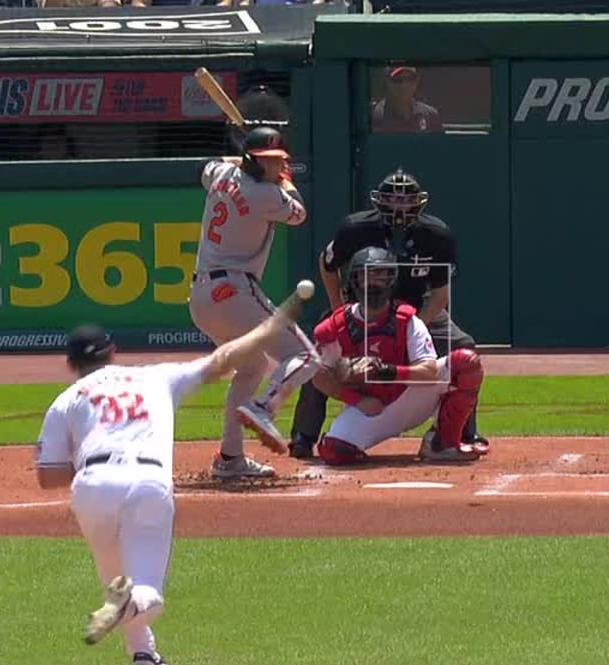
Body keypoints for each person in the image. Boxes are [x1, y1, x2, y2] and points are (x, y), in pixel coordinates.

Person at [34, 289, 311, 665]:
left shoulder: (66, 399)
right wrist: (269, 327)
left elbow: (48, 475)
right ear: (112, 352)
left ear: (71, 363)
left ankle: (143, 654)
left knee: (118, 582)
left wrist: (88, 465)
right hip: (147, 482)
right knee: (146, 593)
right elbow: (222, 359)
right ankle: (131, 615)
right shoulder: (155, 377)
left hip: (92, 484)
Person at [289, 168, 487, 457]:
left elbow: (441, 293)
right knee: (318, 353)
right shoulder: (355, 228)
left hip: (416, 307)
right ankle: (303, 435)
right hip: (362, 305)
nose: (399, 206)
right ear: (378, 200)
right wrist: (338, 309)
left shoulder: (437, 235)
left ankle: (462, 432)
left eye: (406, 200)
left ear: (419, 202)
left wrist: (412, 326)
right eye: (393, 199)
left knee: (463, 346)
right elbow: (328, 264)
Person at [188, 125, 319, 479]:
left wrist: (241, 160)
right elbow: (299, 213)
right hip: (233, 291)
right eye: (270, 160)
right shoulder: (266, 194)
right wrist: (286, 180)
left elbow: (206, 167)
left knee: (252, 366)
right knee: (306, 356)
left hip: (202, 298)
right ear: (253, 161)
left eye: (280, 160)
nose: (278, 165)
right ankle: (264, 408)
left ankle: (230, 458)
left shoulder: (222, 174)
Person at [308, 246, 484, 465]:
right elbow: (319, 377)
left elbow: (429, 371)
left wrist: (389, 372)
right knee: (334, 451)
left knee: (466, 363)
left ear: (391, 280)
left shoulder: (407, 320)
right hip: (372, 408)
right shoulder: (335, 327)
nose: (373, 283)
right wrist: (356, 400)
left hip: (411, 395)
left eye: (380, 276)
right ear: (355, 281)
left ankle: (442, 444)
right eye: (366, 276)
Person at [370, 67, 444, 135]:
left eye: (410, 79)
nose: (404, 85)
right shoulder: (373, 117)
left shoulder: (430, 116)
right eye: (398, 80)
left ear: (416, 82)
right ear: (387, 82)